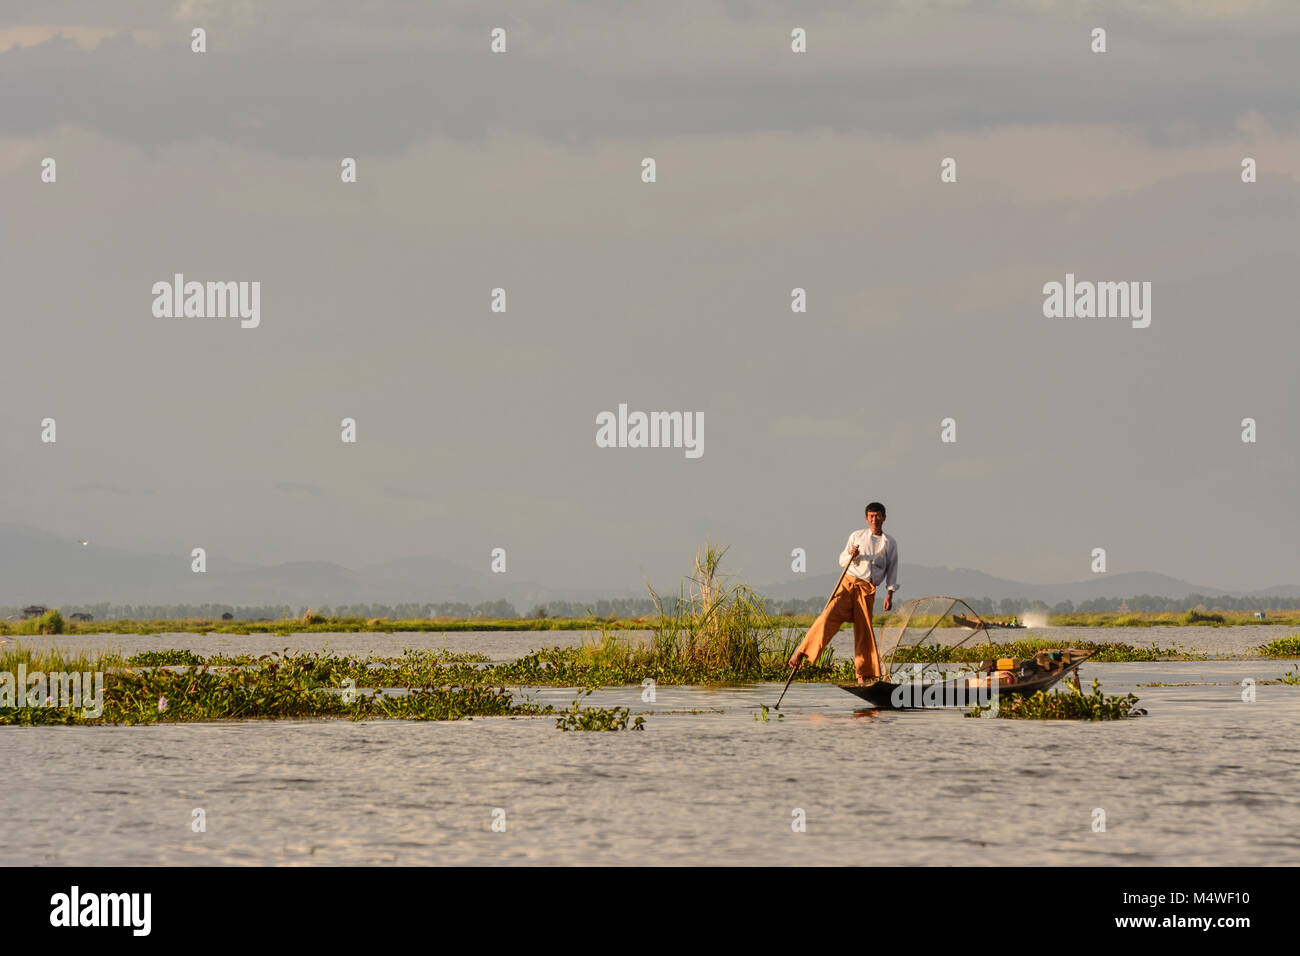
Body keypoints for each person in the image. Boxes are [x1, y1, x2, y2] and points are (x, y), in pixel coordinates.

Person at [788, 502, 899, 684]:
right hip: (848, 584)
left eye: (878, 516)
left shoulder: (890, 543)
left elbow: (892, 568)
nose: (874, 519)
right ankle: (801, 652)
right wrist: (851, 555)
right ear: (866, 518)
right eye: (871, 516)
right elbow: (842, 560)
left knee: (865, 632)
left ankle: (863, 675)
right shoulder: (857, 536)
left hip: (867, 590)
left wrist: (889, 593)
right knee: (827, 617)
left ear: (884, 518)